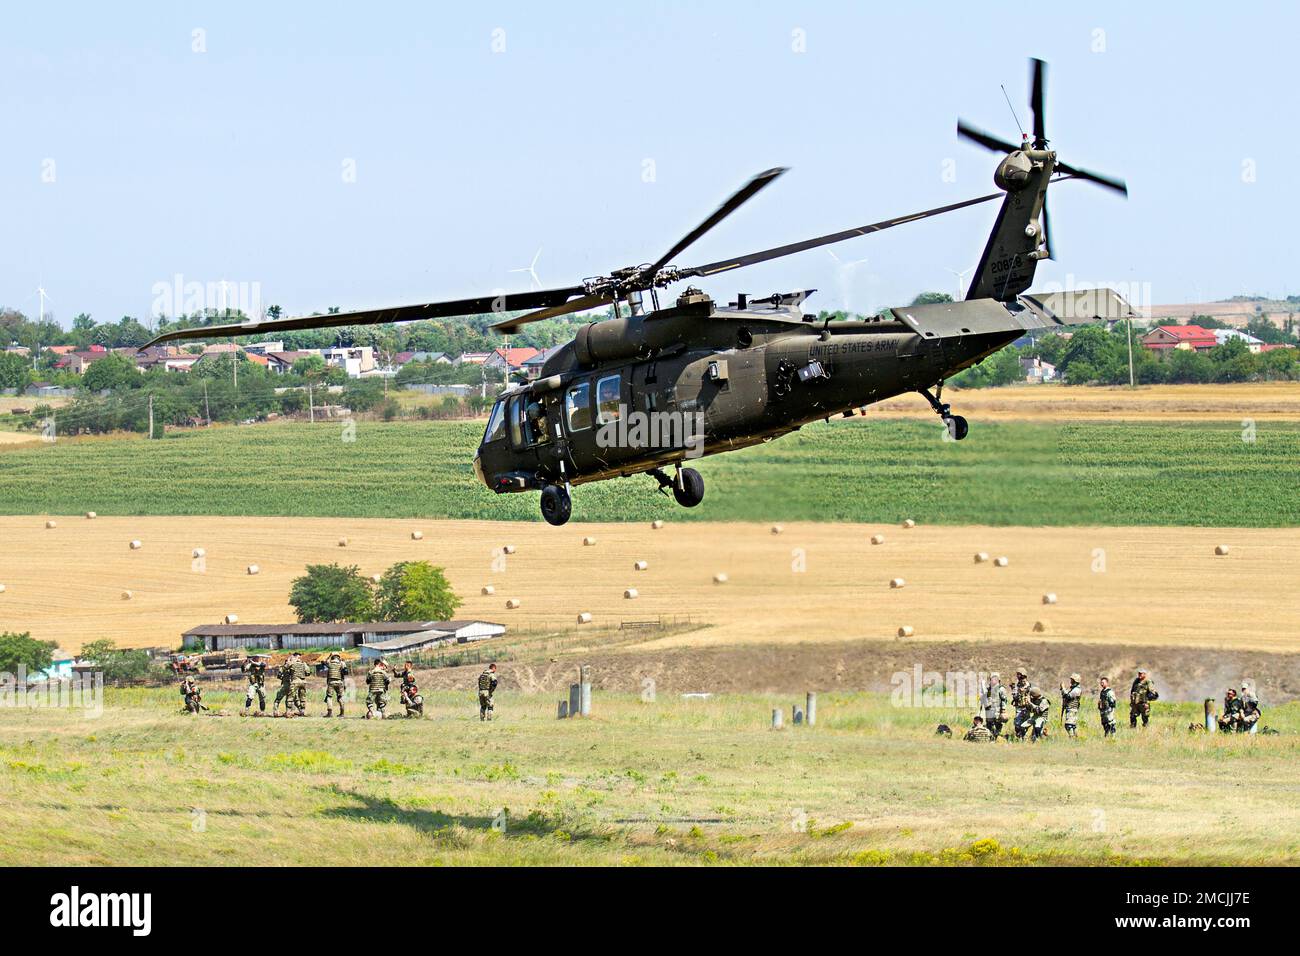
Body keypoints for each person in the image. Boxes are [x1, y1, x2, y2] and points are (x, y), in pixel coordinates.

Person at [982, 672, 1009, 739]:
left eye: (995, 678)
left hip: (997, 710)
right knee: (989, 724)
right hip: (989, 710)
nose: (993, 680)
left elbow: (1004, 700)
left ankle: (997, 736)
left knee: (998, 724)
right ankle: (990, 736)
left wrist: (1003, 710)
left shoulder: (1001, 689)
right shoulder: (988, 688)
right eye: (992, 679)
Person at [322, 652, 349, 718]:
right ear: (338, 657)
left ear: (332, 657)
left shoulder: (329, 663)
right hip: (340, 682)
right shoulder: (341, 663)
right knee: (340, 697)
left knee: (329, 697)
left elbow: (324, 661)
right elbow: (346, 672)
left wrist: (329, 655)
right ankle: (342, 713)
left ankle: (330, 713)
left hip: (331, 682)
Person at [1011, 668, 1033, 740]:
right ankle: (1020, 735)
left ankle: (1024, 737)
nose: (1017, 676)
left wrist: (1016, 689)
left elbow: (1024, 690)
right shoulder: (1018, 684)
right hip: (1019, 706)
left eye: (1019, 674)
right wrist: (1013, 689)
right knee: (1017, 723)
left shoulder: (1026, 683)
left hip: (1026, 707)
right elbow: (1016, 695)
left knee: (1026, 723)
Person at [288, 652, 312, 717]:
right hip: (303, 682)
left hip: (295, 681)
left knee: (290, 697)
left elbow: (286, 668)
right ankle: (302, 712)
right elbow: (308, 672)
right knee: (302, 698)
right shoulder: (304, 664)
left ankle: (288, 712)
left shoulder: (292, 663)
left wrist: (289, 660)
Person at [1059, 673, 1082, 738]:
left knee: (1068, 725)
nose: (1070, 681)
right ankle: (1076, 737)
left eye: (1072, 680)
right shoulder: (1074, 689)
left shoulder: (1076, 690)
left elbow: (1067, 696)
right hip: (1070, 708)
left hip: (1072, 709)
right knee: (1072, 725)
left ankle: (1072, 737)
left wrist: (1063, 688)